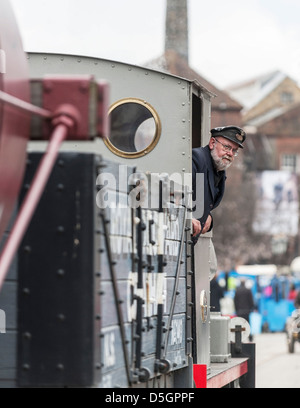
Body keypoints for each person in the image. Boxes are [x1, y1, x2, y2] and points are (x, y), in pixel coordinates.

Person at [192, 126, 246, 240]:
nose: (230, 153)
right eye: (227, 147)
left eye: (234, 150)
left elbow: (199, 200)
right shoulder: (197, 159)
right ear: (212, 143)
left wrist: (208, 216)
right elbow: (176, 196)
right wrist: (187, 217)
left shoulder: (219, 171)